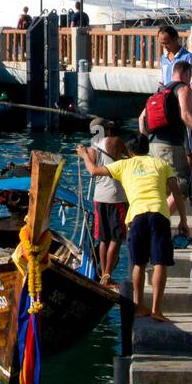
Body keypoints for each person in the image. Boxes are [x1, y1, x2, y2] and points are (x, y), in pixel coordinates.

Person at [77, 134, 187, 322]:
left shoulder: (124, 165)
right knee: (160, 262)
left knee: (139, 263)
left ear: (130, 150)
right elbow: (176, 193)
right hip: (159, 214)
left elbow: (93, 171)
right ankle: (156, 311)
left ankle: (140, 307)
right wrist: (183, 220)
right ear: (147, 149)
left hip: (136, 216)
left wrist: (84, 154)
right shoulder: (161, 165)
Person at [140, 61, 192, 217]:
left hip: (153, 146)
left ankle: (156, 222)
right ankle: (161, 221)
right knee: (182, 187)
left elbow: (142, 119)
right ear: (187, 74)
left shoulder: (159, 91)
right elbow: (186, 115)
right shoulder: (183, 89)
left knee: (162, 188)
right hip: (170, 146)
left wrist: (146, 142)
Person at [87, 119, 129, 285]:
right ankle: (107, 275)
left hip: (99, 196)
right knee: (116, 238)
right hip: (116, 196)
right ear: (106, 130)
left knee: (103, 239)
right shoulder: (116, 141)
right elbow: (131, 158)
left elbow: (91, 172)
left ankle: (104, 274)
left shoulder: (90, 150)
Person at [157, 25, 192, 89]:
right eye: (162, 43)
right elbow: (161, 82)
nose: (164, 46)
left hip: (182, 97)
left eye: (166, 43)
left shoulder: (189, 57)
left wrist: (191, 99)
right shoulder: (163, 58)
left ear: (175, 39)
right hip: (166, 96)